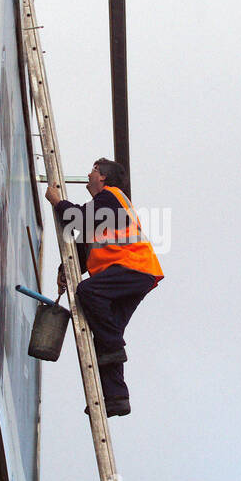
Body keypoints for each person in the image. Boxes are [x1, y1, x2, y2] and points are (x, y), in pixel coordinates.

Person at [44, 158, 163, 416]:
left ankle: (114, 347)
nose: (89, 174)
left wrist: (56, 201)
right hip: (131, 273)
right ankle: (116, 397)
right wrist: (65, 270)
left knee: (89, 293)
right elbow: (82, 245)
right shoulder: (102, 208)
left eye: (94, 171)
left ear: (104, 178)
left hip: (134, 268)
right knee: (107, 332)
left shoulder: (112, 197)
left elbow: (75, 219)